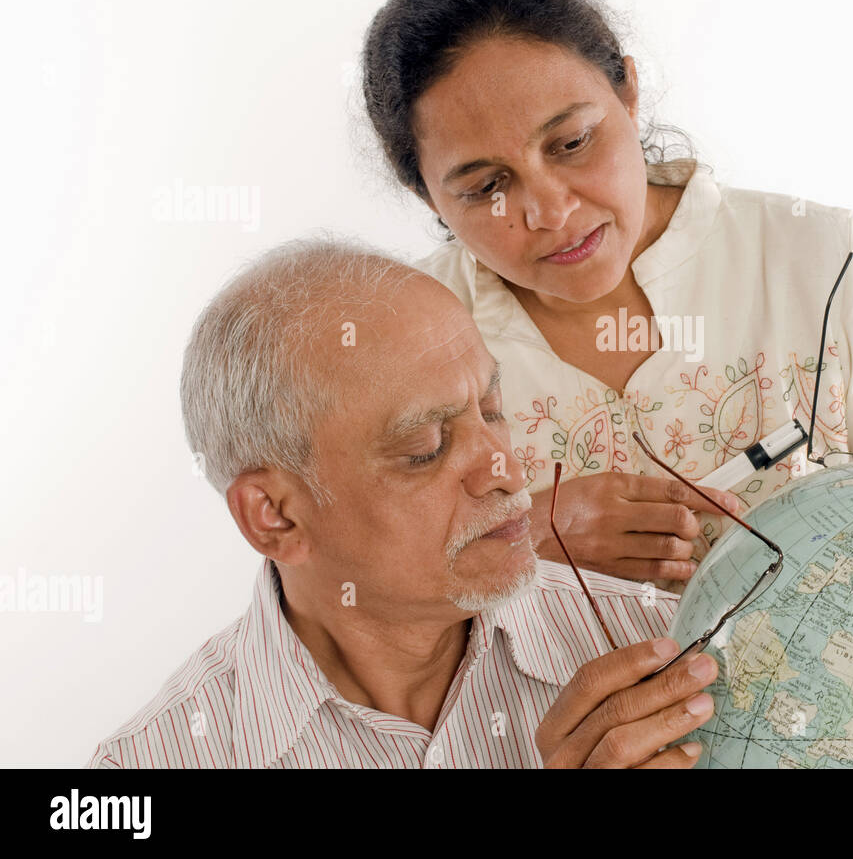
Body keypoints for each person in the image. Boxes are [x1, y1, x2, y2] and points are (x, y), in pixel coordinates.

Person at [359, 0, 853, 595]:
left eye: (574, 141)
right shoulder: (403, 347)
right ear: (424, 193)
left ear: (628, 91)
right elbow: (365, 602)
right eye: (485, 185)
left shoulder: (816, 260)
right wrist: (526, 547)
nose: (549, 209)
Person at [86, 237, 726, 769]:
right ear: (274, 516)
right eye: (424, 447)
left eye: (493, 411)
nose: (507, 471)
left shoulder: (674, 648)